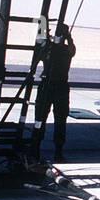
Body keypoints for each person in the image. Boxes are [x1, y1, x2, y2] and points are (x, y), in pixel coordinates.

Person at [30, 23, 76, 162]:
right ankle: (41, 150)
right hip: (53, 87)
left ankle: (51, 151)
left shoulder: (58, 49)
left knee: (54, 120)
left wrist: (49, 35)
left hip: (56, 87)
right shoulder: (60, 49)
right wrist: (66, 36)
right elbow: (39, 47)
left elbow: (39, 47)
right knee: (44, 119)